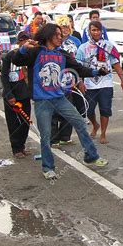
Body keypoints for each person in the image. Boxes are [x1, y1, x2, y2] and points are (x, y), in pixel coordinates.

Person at [12, 23, 109, 180]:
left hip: (59, 98)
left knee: (80, 123)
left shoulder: (62, 54)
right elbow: (17, 61)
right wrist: (24, 48)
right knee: (46, 136)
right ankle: (48, 168)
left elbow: (79, 68)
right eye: (57, 34)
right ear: (48, 36)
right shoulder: (35, 52)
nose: (60, 37)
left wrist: (98, 71)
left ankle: (91, 156)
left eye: (61, 35)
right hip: (42, 101)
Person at [76, 21, 123, 144]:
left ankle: (103, 133)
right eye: (93, 30)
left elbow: (115, 64)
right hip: (90, 84)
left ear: (102, 31)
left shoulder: (108, 46)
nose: (96, 32)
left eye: (98, 30)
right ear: (89, 31)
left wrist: (122, 80)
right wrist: (80, 83)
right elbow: (78, 67)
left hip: (106, 83)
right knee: (89, 110)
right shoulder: (83, 48)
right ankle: (95, 125)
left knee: (105, 109)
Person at [50, 16, 82, 148]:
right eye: (62, 27)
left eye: (67, 27)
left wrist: (79, 80)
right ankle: (53, 138)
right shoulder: (52, 42)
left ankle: (65, 137)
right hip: (54, 82)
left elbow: (79, 63)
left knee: (68, 109)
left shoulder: (75, 41)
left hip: (70, 82)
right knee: (53, 111)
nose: (65, 29)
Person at [1, 31, 32, 158]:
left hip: (25, 95)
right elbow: (4, 76)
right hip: (12, 96)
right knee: (13, 123)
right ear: (19, 42)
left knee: (26, 122)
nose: (25, 43)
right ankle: (16, 149)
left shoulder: (31, 56)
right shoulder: (10, 56)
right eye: (22, 40)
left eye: (27, 40)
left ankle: (22, 146)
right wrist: (9, 95)